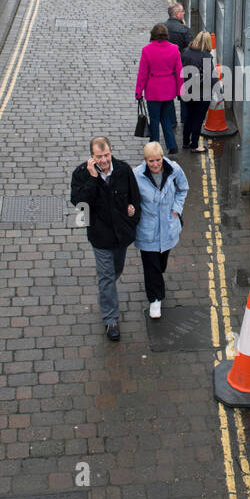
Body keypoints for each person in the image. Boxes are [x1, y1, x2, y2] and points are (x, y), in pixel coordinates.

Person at [69, 137, 141, 341]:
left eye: (106, 155)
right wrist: (93, 179)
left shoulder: (123, 170)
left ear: (111, 152)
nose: (104, 160)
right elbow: (80, 204)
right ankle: (111, 320)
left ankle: (105, 289)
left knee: (116, 270)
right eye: (99, 157)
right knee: (107, 276)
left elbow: (135, 197)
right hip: (100, 237)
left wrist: (132, 220)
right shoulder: (81, 174)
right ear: (92, 157)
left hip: (121, 236)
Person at [133, 141, 188, 318]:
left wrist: (176, 210)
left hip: (168, 226)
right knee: (151, 267)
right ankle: (155, 299)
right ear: (145, 161)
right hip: (147, 229)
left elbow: (183, 189)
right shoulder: (136, 175)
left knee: (160, 263)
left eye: (158, 160)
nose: (155, 164)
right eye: (151, 161)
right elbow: (130, 197)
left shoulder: (174, 170)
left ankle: (157, 280)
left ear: (162, 157)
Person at [136, 23, 182, 155]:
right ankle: (172, 146)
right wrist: (180, 91)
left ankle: (154, 146)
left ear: (153, 35)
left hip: (153, 91)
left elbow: (142, 73)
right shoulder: (174, 49)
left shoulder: (147, 50)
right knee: (166, 118)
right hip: (168, 90)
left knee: (154, 119)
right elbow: (179, 72)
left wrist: (138, 92)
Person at [180, 31, 215, 152]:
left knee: (189, 117)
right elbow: (210, 77)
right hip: (201, 94)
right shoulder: (206, 56)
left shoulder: (185, 52)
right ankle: (194, 145)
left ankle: (185, 142)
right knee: (198, 120)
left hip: (186, 91)